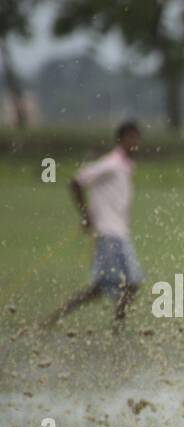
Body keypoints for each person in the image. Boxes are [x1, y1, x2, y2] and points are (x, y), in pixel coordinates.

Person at [43, 120, 144, 332]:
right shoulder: (111, 163)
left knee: (113, 286)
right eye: (130, 138)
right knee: (127, 282)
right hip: (109, 233)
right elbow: (76, 181)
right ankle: (115, 327)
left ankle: (55, 320)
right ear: (120, 139)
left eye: (137, 138)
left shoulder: (125, 166)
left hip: (119, 233)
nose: (135, 142)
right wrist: (86, 216)